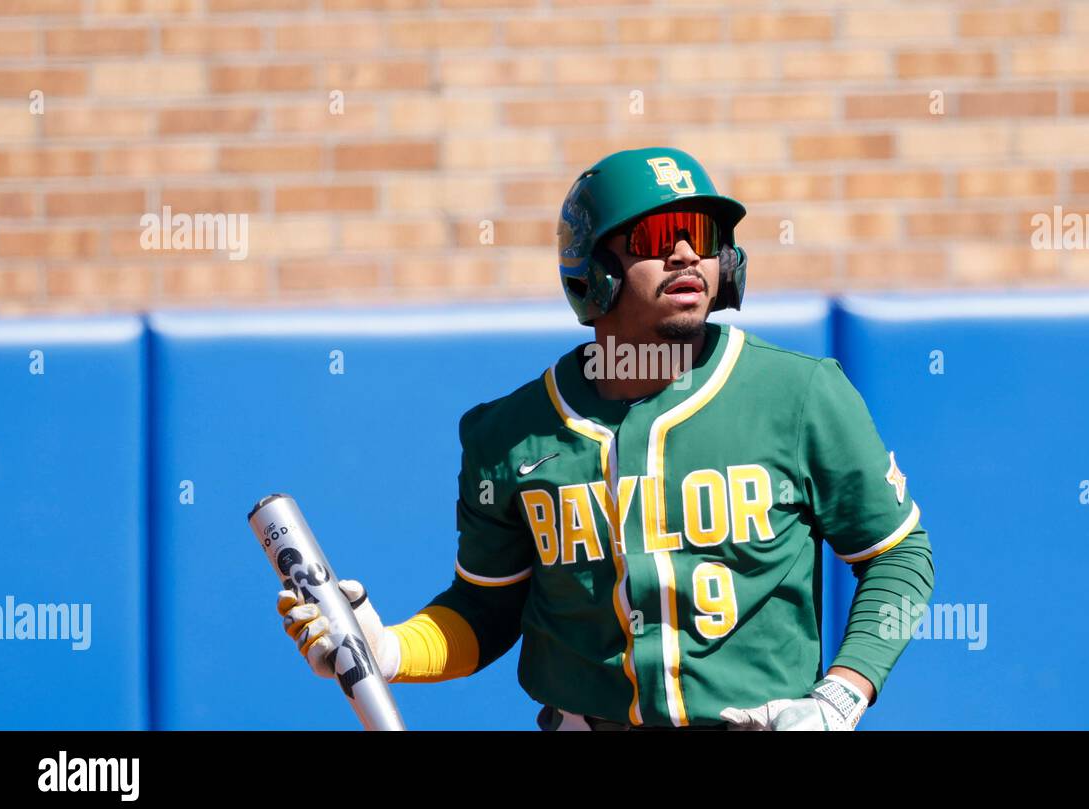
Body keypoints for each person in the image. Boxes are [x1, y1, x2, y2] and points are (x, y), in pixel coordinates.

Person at [278, 146, 935, 730]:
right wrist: (388, 647)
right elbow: (483, 612)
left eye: (702, 234)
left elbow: (901, 560)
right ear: (594, 269)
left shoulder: (801, 394)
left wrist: (842, 695)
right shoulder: (509, 435)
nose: (686, 253)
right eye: (658, 234)